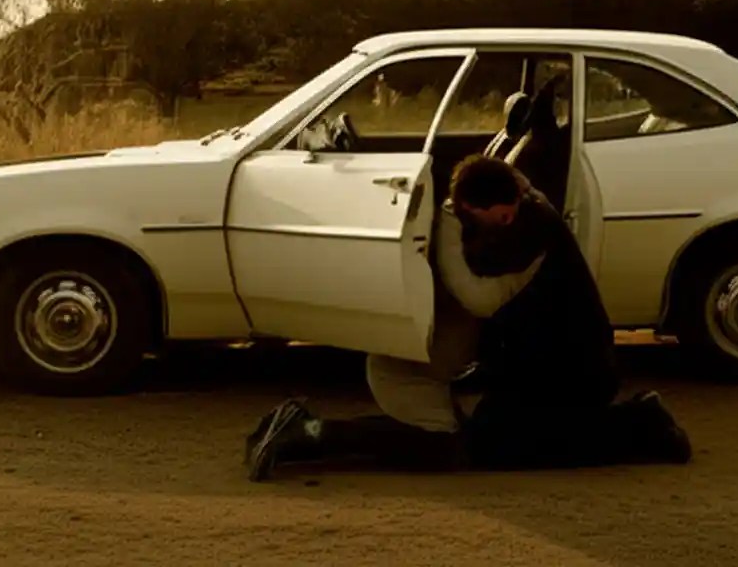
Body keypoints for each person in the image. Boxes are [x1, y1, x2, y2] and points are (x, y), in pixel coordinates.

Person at [245, 156, 692, 481]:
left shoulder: (531, 227)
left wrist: (450, 226)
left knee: (496, 446)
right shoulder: (513, 211)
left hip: (572, 372)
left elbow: (477, 297)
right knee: (465, 442)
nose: (502, 222)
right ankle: (308, 433)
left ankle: (645, 424)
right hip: (538, 365)